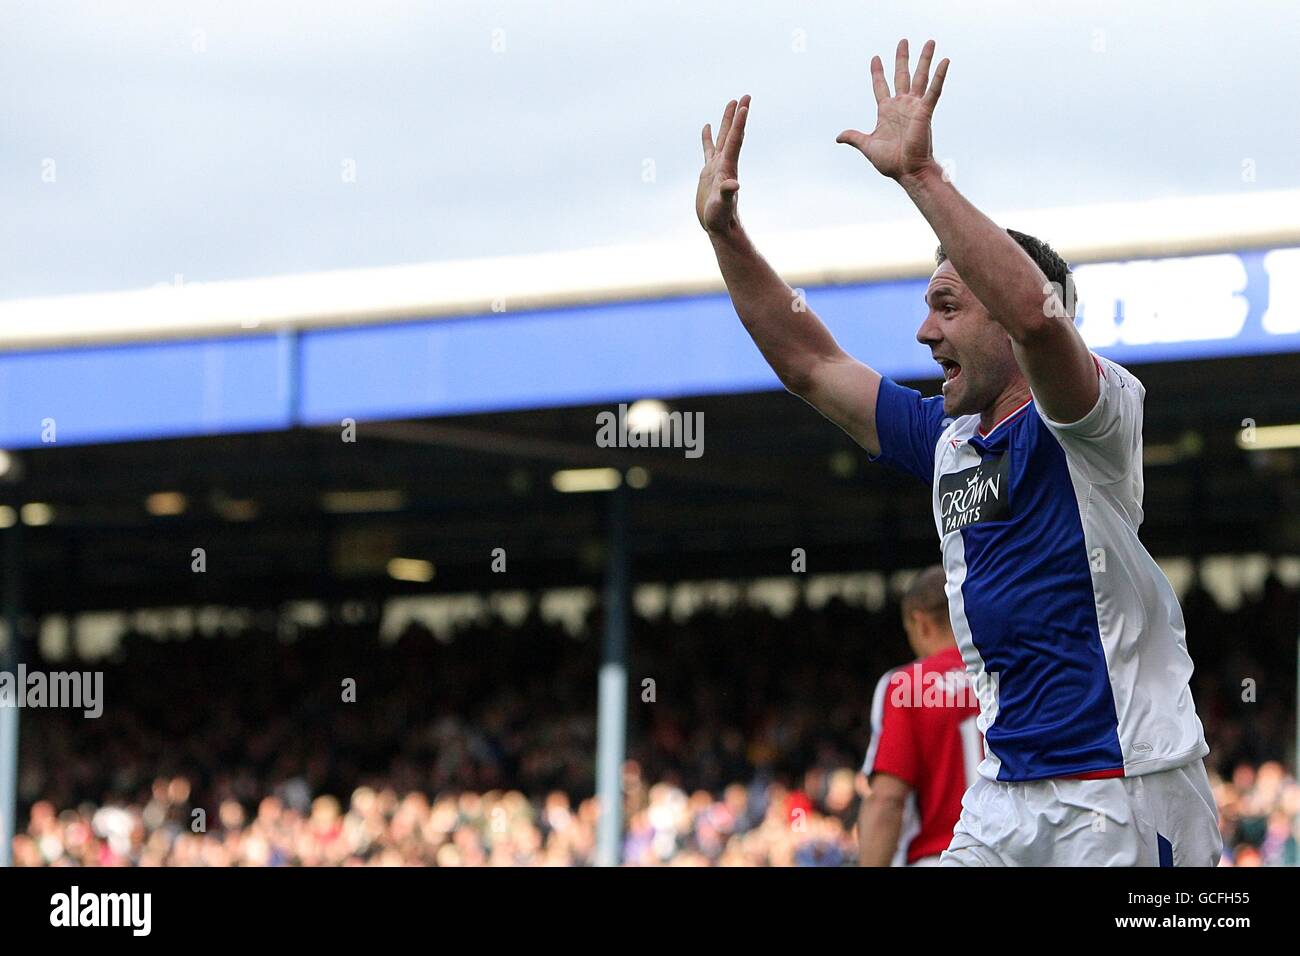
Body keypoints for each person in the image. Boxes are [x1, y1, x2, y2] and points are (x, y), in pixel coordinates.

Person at [696, 38, 1221, 866]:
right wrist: (726, 234)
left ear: (1004, 323)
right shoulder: (949, 444)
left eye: (947, 305)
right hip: (1006, 795)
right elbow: (810, 364)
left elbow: (1042, 320)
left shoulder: (1092, 417)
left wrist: (920, 178)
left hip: (1124, 786)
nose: (923, 331)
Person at [859, 566, 980, 866]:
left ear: (920, 623)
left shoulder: (907, 685)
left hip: (940, 857)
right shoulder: (1010, 676)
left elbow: (887, 800)